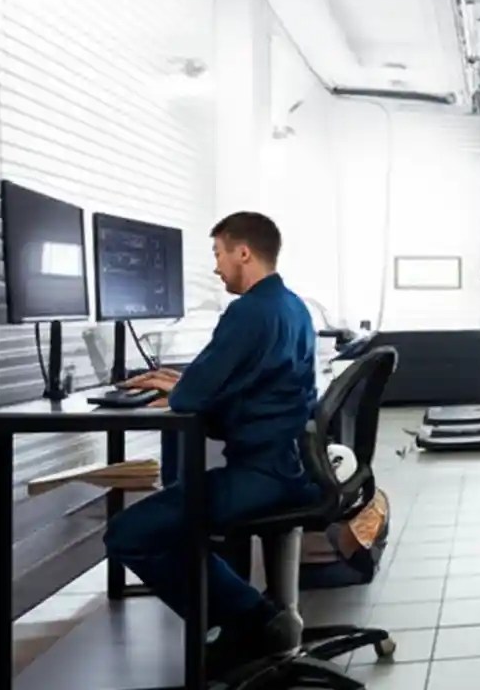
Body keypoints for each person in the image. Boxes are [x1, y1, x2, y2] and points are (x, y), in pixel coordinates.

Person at [103, 211, 319, 674]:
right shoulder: (292, 306)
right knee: (171, 516)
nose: (217, 267)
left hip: (263, 476)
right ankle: (252, 620)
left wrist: (180, 387)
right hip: (288, 467)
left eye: (219, 254)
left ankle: (253, 622)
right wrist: (185, 384)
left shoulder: (248, 312)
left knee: (127, 533)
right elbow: (247, 386)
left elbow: (190, 397)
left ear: (243, 253)